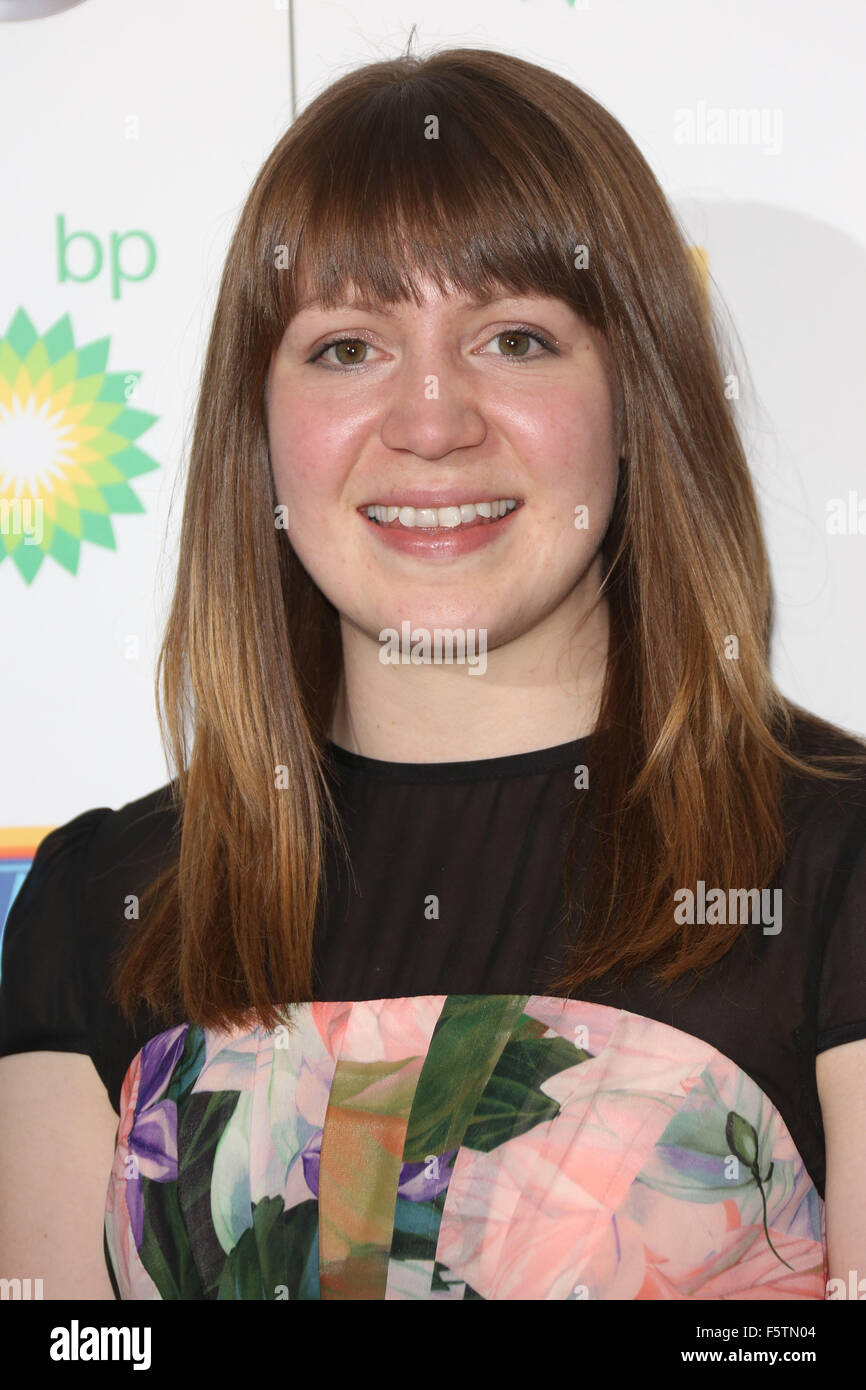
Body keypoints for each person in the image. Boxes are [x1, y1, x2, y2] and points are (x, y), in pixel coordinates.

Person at [2, 45, 865, 1303]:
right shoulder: (103, 908)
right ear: (260, 429)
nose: (431, 417)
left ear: (639, 399)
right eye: (347, 347)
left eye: (514, 337)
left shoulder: (831, 866)